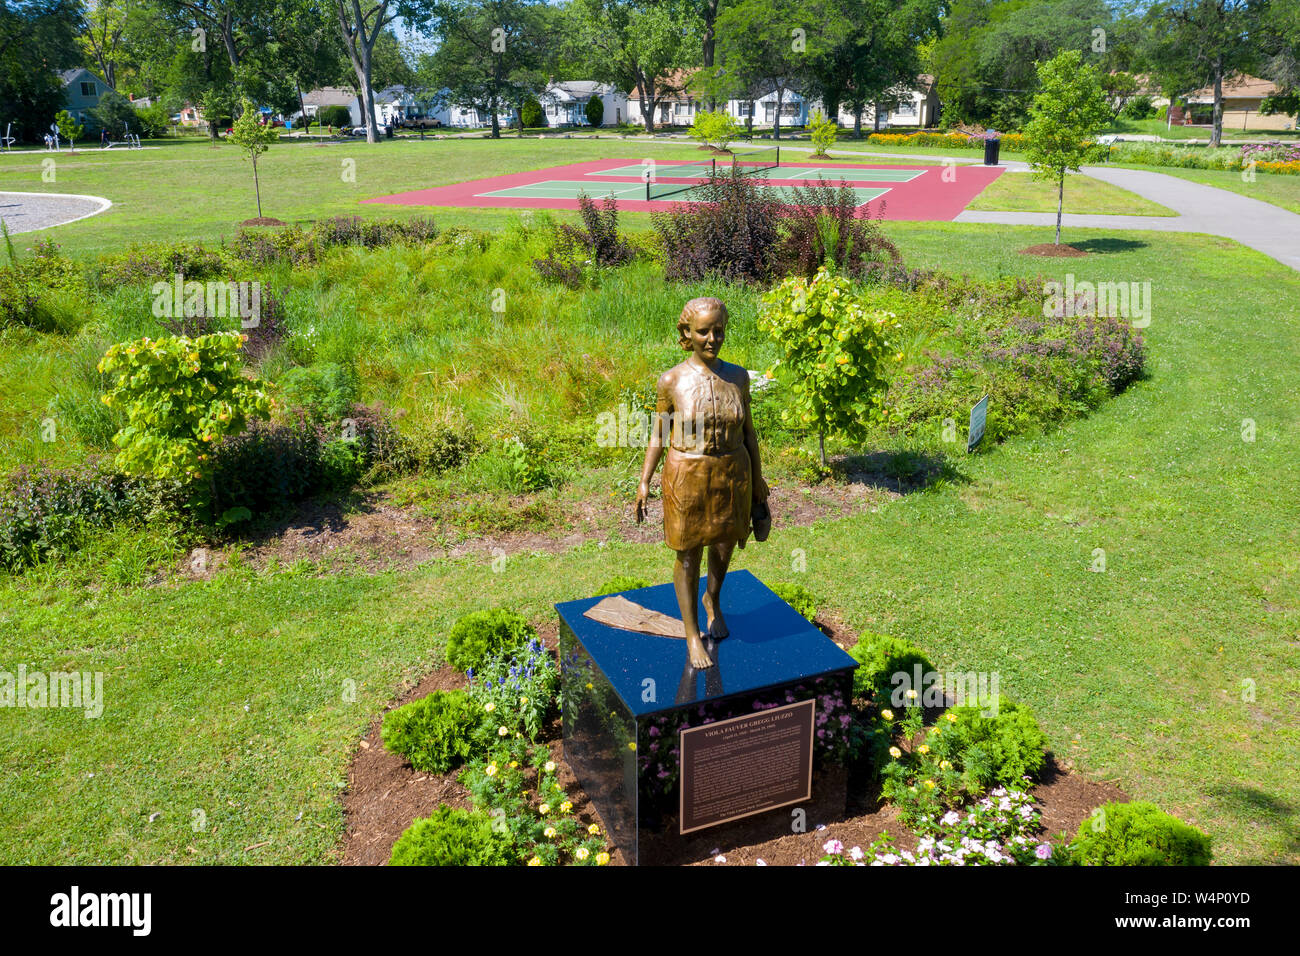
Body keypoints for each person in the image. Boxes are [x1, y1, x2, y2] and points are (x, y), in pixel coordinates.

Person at [635, 297, 769, 669]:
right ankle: (692, 634)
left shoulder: (739, 377)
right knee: (689, 551)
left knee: (724, 544)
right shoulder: (671, 380)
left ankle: (713, 599)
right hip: (686, 476)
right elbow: (658, 434)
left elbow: (750, 432)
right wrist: (644, 481)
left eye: (719, 330)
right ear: (687, 333)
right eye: (704, 331)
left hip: (732, 473)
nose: (712, 338)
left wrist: (757, 478)